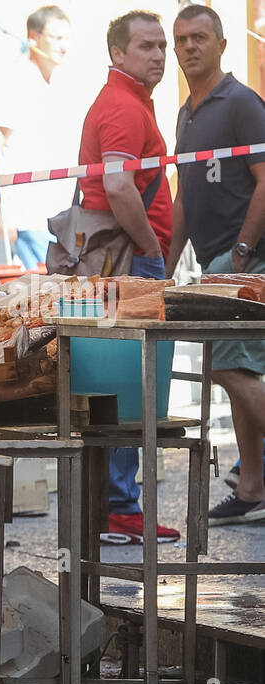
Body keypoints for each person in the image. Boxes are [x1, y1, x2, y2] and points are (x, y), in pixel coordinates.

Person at [78, 10, 179, 544]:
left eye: (161, 46)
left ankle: (116, 506)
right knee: (130, 386)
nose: (159, 55)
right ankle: (119, 508)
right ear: (118, 54)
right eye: (146, 46)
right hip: (126, 260)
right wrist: (148, 249)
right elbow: (119, 186)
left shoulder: (131, 100)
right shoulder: (122, 104)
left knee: (122, 386)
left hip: (123, 257)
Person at [167, 4, 265, 525]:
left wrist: (244, 252)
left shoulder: (241, 103)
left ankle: (254, 483)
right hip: (215, 261)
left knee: (227, 364)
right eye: (180, 38)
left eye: (199, 37)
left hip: (245, 257)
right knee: (238, 365)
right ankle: (252, 487)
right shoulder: (187, 113)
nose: (188, 47)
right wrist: (167, 262)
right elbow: (183, 196)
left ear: (221, 44)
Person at [0, 5, 80, 270]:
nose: (63, 46)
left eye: (67, 38)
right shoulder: (16, 79)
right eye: (56, 38)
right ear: (33, 39)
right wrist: (3, 213)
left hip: (58, 212)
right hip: (28, 215)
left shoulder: (58, 83)